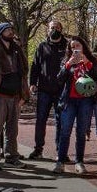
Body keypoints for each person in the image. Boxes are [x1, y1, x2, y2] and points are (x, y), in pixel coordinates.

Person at [0, 22, 29, 170]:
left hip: (15, 96)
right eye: (7, 30)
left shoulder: (17, 49)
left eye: (11, 29)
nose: (10, 32)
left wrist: (23, 94)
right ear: (0, 33)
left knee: (12, 129)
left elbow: (23, 74)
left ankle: (12, 157)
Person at [53, 35, 97, 174]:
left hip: (85, 101)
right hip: (69, 100)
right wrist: (68, 64)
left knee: (81, 132)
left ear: (83, 47)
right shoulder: (67, 61)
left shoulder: (91, 59)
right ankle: (60, 162)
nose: (75, 49)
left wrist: (87, 63)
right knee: (65, 131)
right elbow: (59, 79)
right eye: (72, 47)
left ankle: (79, 162)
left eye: (78, 46)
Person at [28, 20, 67, 160]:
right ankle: (38, 149)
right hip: (44, 89)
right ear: (48, 30)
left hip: (61, 90)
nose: (54, 29)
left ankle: (60, 151)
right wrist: (32, 83)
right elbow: (35, 66)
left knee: (61, 121)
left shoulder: (67, 47)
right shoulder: (42, 46)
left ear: (61, 29)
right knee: (40, 120)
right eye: (52, 27)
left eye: (57, 27)